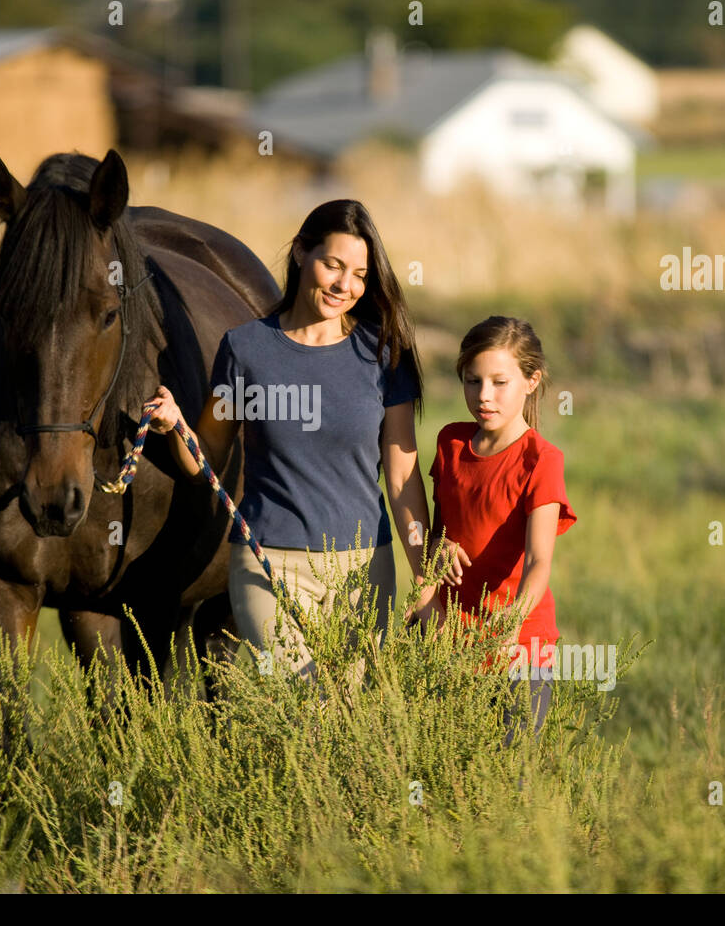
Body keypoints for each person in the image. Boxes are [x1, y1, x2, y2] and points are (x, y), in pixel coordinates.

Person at [143, 199, 441, 699]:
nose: (346, 285)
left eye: (360, 275)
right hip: (269, 562)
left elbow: (403, 479)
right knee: (307, 705)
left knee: (351, 720)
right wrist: (175, 427)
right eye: (334, 265)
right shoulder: (246, 349)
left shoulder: (384, 354)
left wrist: (427, 580)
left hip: (364, 567)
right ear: (302, 252)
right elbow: (204, 463)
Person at [423, 316, 577, 745]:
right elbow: (437, 536)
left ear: (531, 381)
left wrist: (510, 625)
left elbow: (539, 560)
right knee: (446, 767)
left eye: (499, 382)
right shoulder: (450, 443)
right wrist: (440, 547)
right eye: (473, 381)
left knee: (512, 773)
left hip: (519, 645)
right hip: (449, 637)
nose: (483, 396)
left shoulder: (541, 459)